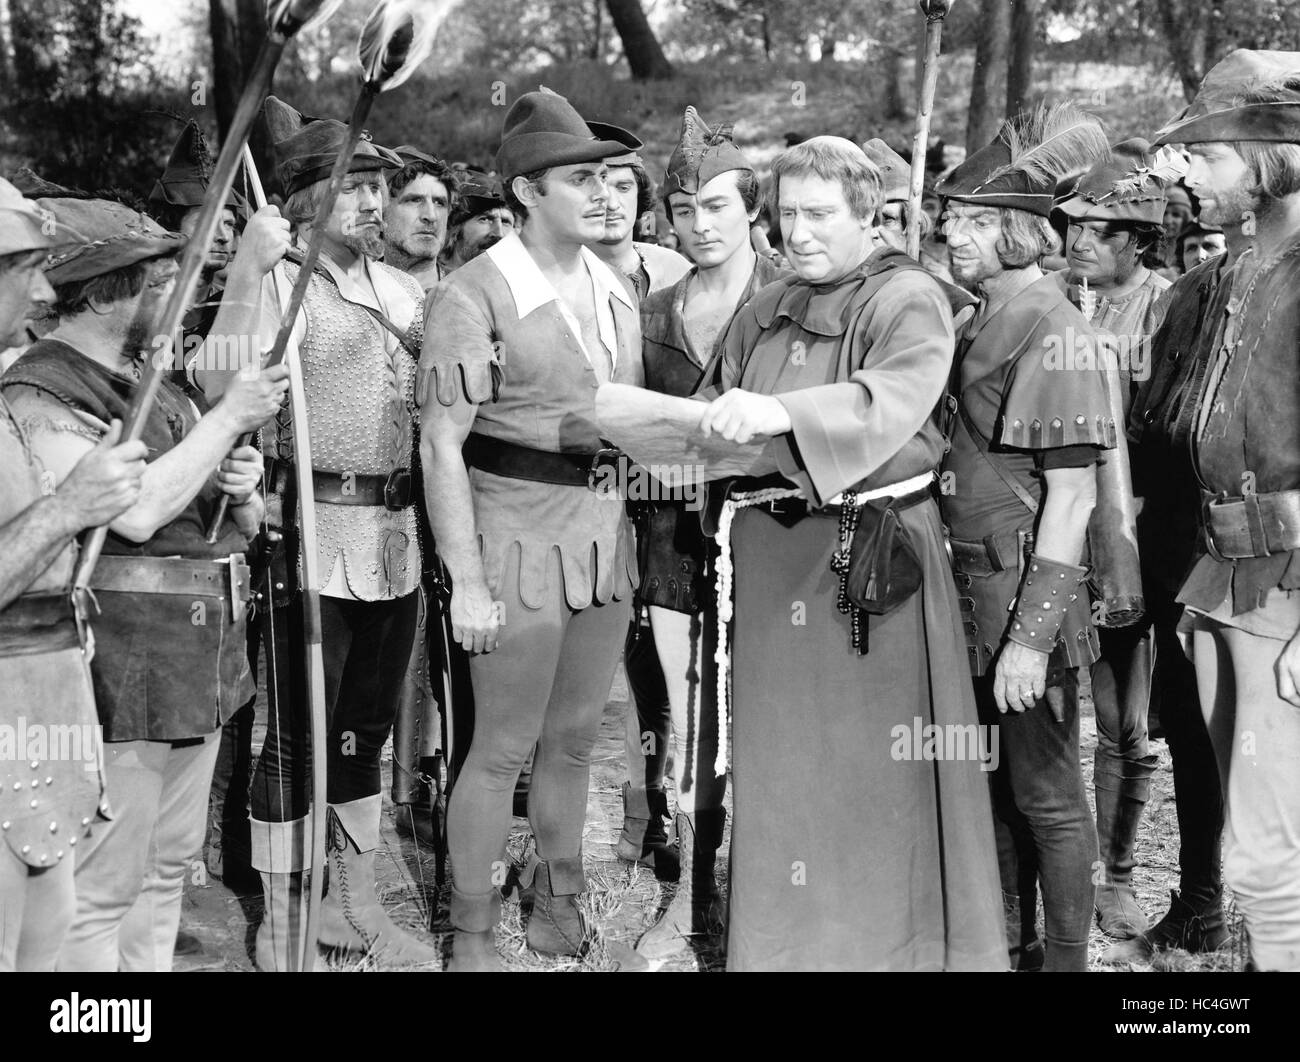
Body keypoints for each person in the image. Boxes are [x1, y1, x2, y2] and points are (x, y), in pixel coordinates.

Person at [695, 135, 1005, 971]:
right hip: (768, 565)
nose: (797, 232)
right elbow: (715, 402)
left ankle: (888, 952)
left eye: (819, 215)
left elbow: (894, 398)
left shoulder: (908, 297)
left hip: (868, 567)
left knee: (875, 774)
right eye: (786, 213)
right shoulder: (766, 303)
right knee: (785, 767)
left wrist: (785, 414)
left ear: (869, 215)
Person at [2, 194, 288, 971]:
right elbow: (132, 514)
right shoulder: (42, 387)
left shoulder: (151, 375)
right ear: (106, 289)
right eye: (162, 279)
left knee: (167, 868)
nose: (180, 293)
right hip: (118, 661)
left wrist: (242, 485)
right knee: (103, 885)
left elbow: (193, 496)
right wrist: (227, 423)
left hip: (197, 653)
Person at [420, 90, 645, 971]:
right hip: (512, 539)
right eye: (579, 179)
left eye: (610, 177)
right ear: (523, 191)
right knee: (501, 746)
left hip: (603, 540)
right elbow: (441, 448)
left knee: (578, 738)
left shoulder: (616, 282)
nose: (603, 194)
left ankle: (559, 897)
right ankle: (471, 932)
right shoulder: (472, 293)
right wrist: (466, 580)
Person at [219, 96, 436, 970]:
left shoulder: (404, 288)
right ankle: (284, 923)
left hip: (396, 535)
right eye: (355, 189)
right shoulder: (280, 285)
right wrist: (245, 273)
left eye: (381, 188)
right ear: (304, 200)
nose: (375, 204)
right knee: (297, 737)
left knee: (366, 733)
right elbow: (216, 381)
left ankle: (354, 905)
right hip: (309, 535)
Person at [936, 103, 1113, 972]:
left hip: (1020, 601)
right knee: (991, 791)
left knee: (1046, 796)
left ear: (1019, 230)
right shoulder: (975, 319)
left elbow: (1074, 497)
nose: (952, 235)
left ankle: (1071, 963)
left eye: (973, 222)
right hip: (966, 594)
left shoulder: (1058, 330)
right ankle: (1010, 949)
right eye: (950, 218)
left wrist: (1030, 642)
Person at [1152, 50, 1300, 971]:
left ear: (1271, 153)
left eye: (1206, 155)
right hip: (1220, 575)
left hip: (1287, 586)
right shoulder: (1234, 274)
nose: (1183, 172)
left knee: (1269, 843)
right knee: (1255, 833)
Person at [628, 106, 787, 960]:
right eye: (684, 210)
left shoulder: (787, 300)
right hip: (669, 536)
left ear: (753, 211)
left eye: (719, 207)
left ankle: (764, 895)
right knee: (684, 718)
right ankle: (689, 900)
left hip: (767, 537)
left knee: (761, 714)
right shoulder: (651, 311)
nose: (701, 226)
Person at [1123, 60, 1265, 956]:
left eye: (1205, 156)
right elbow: (1152, 427)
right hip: (1185, 554)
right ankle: (1204, 898)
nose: (1182, 179)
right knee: (1192, 735)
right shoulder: (1196, 293)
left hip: (1273, 566)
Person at [0, 177, 149, 972]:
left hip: (42, 709)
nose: (44, 287)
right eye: (23, 267)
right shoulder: (29, 389)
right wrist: (68, 507)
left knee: (45, 950)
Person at [1048, 138, 1175, 941]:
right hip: (1055, 523)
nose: (1079, 243)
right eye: (1073, 228)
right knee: (1050, 700)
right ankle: (1052, 855)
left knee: (1124, 717)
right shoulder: (1052, 298)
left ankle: (1118, 869)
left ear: (1135, 240)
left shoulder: (1165, 303)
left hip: (1131, 527)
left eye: (1098, 231)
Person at [587, 122, 690, 300]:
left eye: (623, 188)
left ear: (639, 193)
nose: (611, 204)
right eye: (597, 188)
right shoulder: (560, 280)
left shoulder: (676, 270)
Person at [861, 138, 952, 280]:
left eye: (887, 219)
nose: (872, 232)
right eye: (864, 219)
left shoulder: (935, 287)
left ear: (913, 226)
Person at [383, 145, 455, 291]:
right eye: (414, 200)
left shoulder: (471, 293)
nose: (431, 216)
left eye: (439, 203)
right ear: (381, 211)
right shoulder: (354, 290)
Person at [439, 171, 515, 274]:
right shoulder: (425, 284)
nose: (499, 233)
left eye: (505, 222)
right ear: (455, 228)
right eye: (485, 219)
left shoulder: (516, 284)